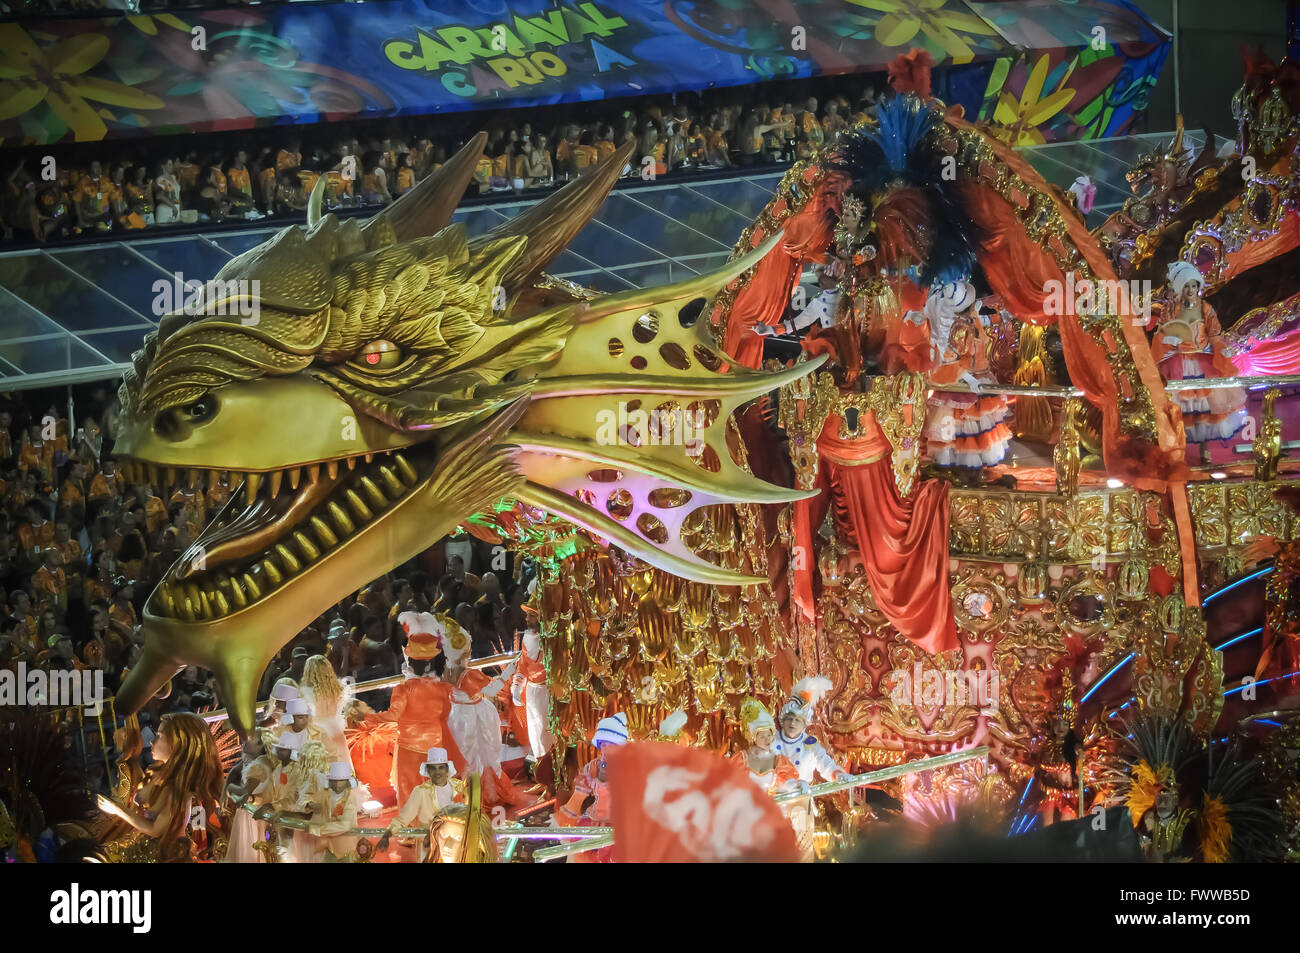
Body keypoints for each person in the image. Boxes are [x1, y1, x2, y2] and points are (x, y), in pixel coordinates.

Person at [94, 712, 224, 862]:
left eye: (160, 736)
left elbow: (155, 830)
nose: (152, 741)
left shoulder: (183, 792)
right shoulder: (158, 774)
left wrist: (118, 810)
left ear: (178, 745)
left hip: (158, 855)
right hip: (139, 844)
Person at [1150, 260, 1247, 448]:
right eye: (1187, 286)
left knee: (1206, 408)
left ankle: (1205, 450)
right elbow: (1161, 334)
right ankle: (1180, 449)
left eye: (1194, 285)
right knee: (1182, 409)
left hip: (1203, 362)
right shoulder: (1170, 309)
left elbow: (1214, 333)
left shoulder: (1206, 309)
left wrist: (1221, 349)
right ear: (1180, 288)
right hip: (1177, 363)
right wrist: (1168, 340)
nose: (1191, 290)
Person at [367, 613, 462, 803]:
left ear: (411, 661)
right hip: (436, 746)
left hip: (409, 749)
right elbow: (446, 715)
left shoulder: (404, 689)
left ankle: (413, 831)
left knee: (409, 792)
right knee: (438, 792)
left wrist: (368, 717)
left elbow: (393, 715)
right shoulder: (444, 688)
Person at [441, 618, 527, 809]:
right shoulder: (469, 674)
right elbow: (491, 690)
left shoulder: (445, 673)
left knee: (465, 757)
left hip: (457, 716)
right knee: (480, 755)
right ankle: (482, 796)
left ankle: (466, 796)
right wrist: (510, 670)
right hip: (474, 716)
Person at [556, 712, 626, 863]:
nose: (607, 749)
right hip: (594, 819)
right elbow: (578, 796)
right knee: (581, 849)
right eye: (604, 745)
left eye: (612, 745)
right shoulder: (593, 766)